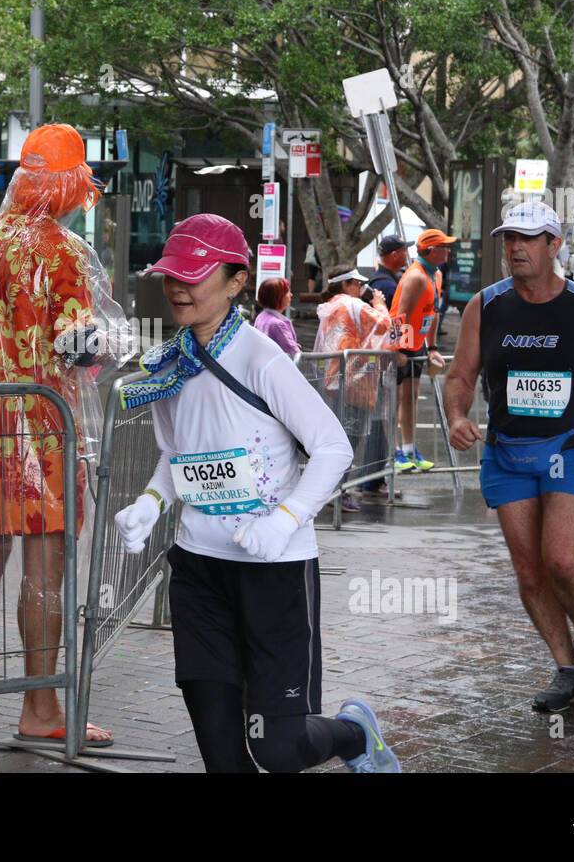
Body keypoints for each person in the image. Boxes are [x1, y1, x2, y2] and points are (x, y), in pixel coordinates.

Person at [113, 214, 398, 773]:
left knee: (277, 748)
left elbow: (333, 448)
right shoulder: (168, 366)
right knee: (223, 756)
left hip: (274, 571)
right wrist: (151, 503)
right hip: (198, 572)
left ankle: (354, 734)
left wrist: (284, 519)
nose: (178, 287)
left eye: (194, 274)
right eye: (172, 274)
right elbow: (176, 457)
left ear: (236, 282)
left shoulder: (262, 358)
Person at [0, 123, 131, 744]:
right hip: (43, 432)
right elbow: (80, 344)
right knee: (45, 570)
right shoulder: (63, 251)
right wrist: (118, 341)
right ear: (66, 183)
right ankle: (40, 709)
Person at [444, 200, 574, 714]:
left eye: (528, 238)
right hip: (507, 453)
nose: (515, 247)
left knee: (561, 559)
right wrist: (456, 417)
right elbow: (460, 376)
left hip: (570, 449)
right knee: (530, 572)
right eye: (509, 237)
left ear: (554, 246)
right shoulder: (486, 306)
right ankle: (566, 669)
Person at [315, 264, 400, 510]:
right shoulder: (352, 305)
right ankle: (338, 492)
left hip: (335, 378)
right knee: (349, 441)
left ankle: (332, 491)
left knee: (337, 438)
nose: (360, 288)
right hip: (354, 380)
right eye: (356, 284)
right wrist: (379, 303)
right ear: (345, 284)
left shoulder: (332, 306)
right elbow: (383, 325)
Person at [390, 228, 455, 472]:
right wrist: (397, 349)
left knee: (411, 397)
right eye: (444, 247)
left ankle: (409, 449)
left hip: (416, 344)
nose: (448, 251)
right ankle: (393, 451)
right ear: (431, 250)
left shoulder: (435, 274)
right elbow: (399, 314)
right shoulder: (415, 276)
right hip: (401, 346)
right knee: (395, 400)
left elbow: (433, 312)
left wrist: (433, 347)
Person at [253, 277, 299, 357]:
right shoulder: (277, 324)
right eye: (287, 292)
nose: (291, 295)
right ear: (278, 297)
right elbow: (294, 353)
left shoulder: (261, 317)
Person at [368, 234, 410, 305]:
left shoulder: (383, 280)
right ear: (395, 255)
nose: (407, 254)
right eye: (405, 250)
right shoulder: (387, 286)